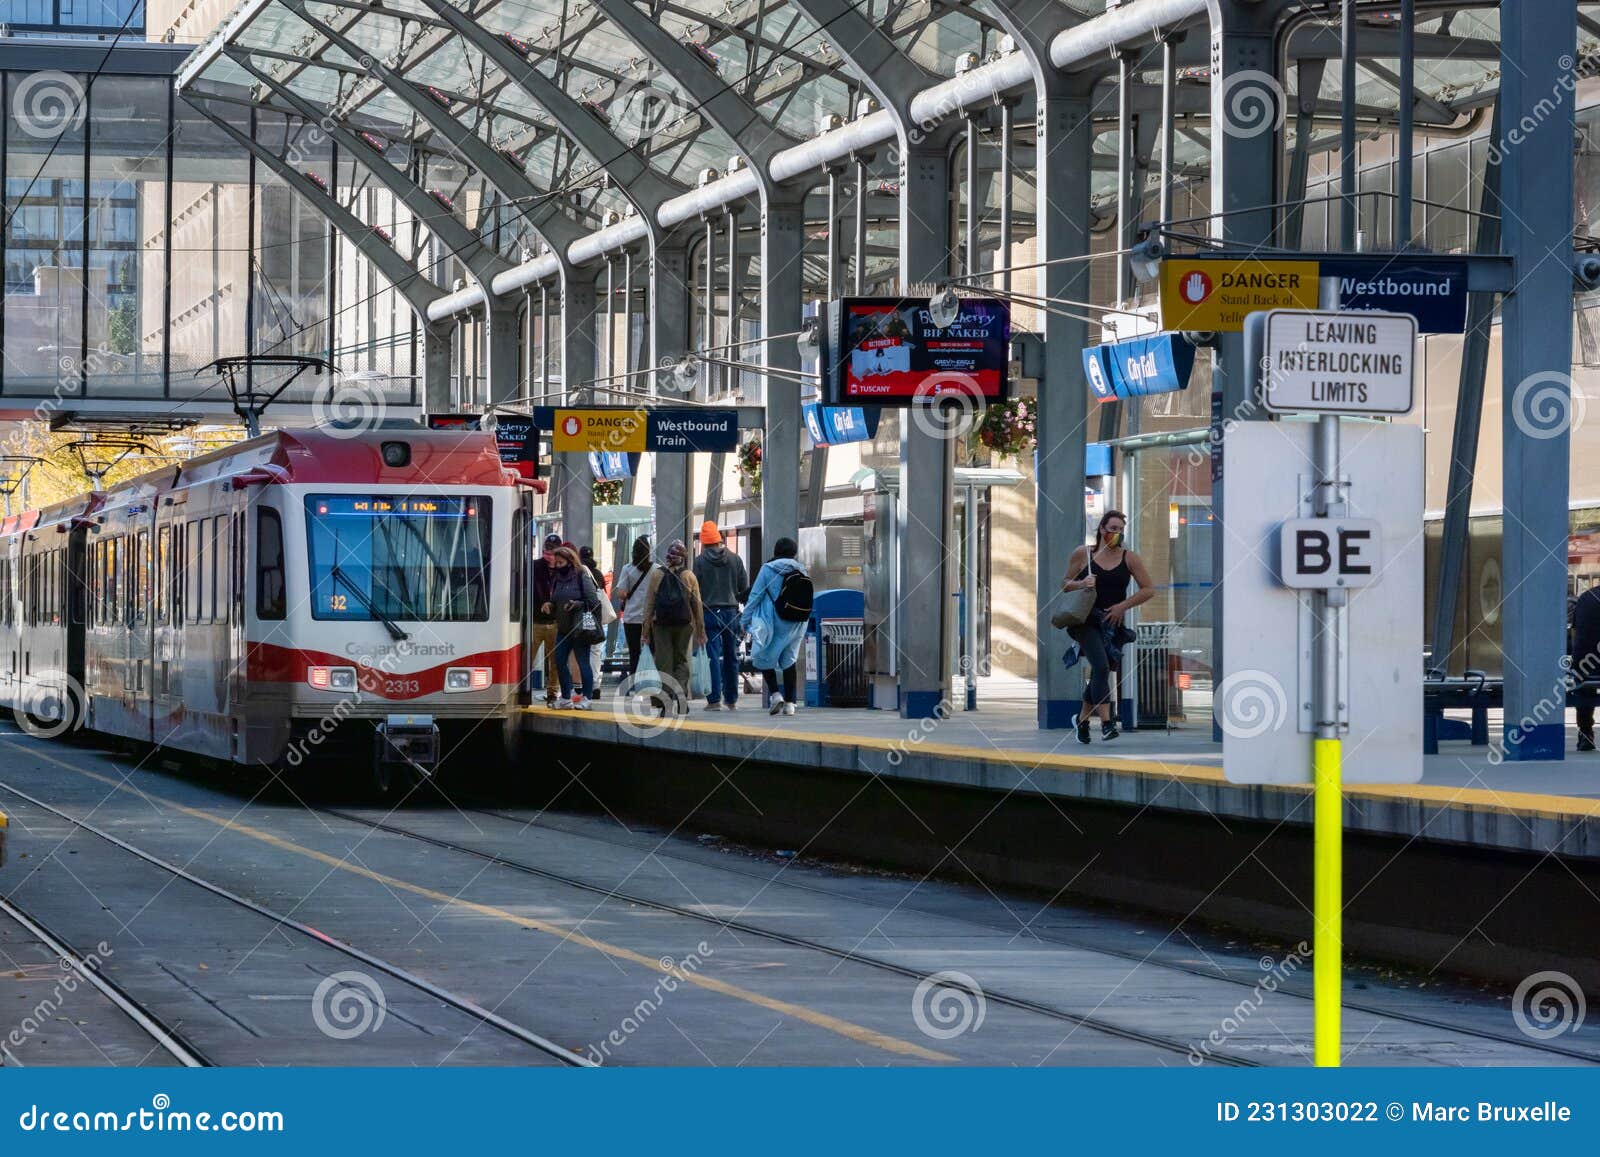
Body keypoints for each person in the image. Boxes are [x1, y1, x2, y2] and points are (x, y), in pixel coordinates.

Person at [1061, 510, 1154, 744]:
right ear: (1102, 529)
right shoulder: (1083, 554)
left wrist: (1123, 606)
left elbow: (1148, 589)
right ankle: (1107, 723)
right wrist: (1082, 582)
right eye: (1113, 529)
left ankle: (1081, 720)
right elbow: (1065, 584)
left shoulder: (1130, 558)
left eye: (1121, 530)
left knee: (1101, 674)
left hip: (1112, 624)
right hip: (1084, 620)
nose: (1117, 534)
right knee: (1101, 668)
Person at [741, 537, 810, 716]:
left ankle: (775, 694)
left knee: (762, 656)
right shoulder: (801, 568)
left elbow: (754, 596)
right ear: (793, 552)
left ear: (776, 551)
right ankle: (790, 704)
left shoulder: (768, 569)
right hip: (797, 622)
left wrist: (744, 621)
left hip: (773, 621)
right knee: (789, 660)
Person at [642, 540, 705, 715]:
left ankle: (665, 704)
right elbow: (697, 605)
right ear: (683, 558)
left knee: (664, 663)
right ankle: (682, 700)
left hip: (661, 625)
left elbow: (649, 604)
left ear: (667, 557)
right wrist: (701, 631)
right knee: (681, 661)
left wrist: (645, 631)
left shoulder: (656, 574)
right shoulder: (689, 576)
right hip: (684, 625)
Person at [693, 520, 749, 710]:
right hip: (731, 613)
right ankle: (731, 700)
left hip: (709, 613)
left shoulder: (699, 562)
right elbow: (744, 588)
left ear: (704, 542)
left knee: (713, 657)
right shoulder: (735, 559)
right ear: (719, 539)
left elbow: (695, 591)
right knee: (731, 656)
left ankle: (714, 700)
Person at [547, 545, 601, 709]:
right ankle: (565, 697)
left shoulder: (581, 576)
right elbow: (556, 600)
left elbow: (593, 602)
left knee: (583, 661)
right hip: (563, 628)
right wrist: (549, 605)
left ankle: (587, 697)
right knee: (560, 660)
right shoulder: (557, 579)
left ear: (570, 561)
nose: (557, 566)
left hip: (579, 629)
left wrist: (577, 604)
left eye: (560, 562)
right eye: (555, 563)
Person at [611, 534, 653, 677]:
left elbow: (621, 593)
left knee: (634, 653)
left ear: (633, 552)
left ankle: (636, 683)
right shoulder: (657, 569)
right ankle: (651, 680)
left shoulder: (628, 569)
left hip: (632, 618)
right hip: (651, 618)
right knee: (652, 651)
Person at [529, 533, 562, 706]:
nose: (549, 557)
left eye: (552, 553)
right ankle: (523, 690)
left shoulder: (563, 568)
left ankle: (552, 693)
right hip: (536, 620)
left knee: (555, 662)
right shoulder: (534, 566)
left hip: (555, 622)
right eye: (546, 552)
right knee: (528, 658)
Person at [1571, 584, 1600, 750]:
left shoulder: (1585, 597)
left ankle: (1585, 733)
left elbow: (1575, 633)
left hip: (1583, 665)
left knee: (1583, 689)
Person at [578, 544, 609, 699]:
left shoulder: (580, 572)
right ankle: (596, 685)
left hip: (585, 615)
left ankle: (585, 685)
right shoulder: (598, 573)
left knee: (583, 649)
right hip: (597, 615)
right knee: (596, 650)